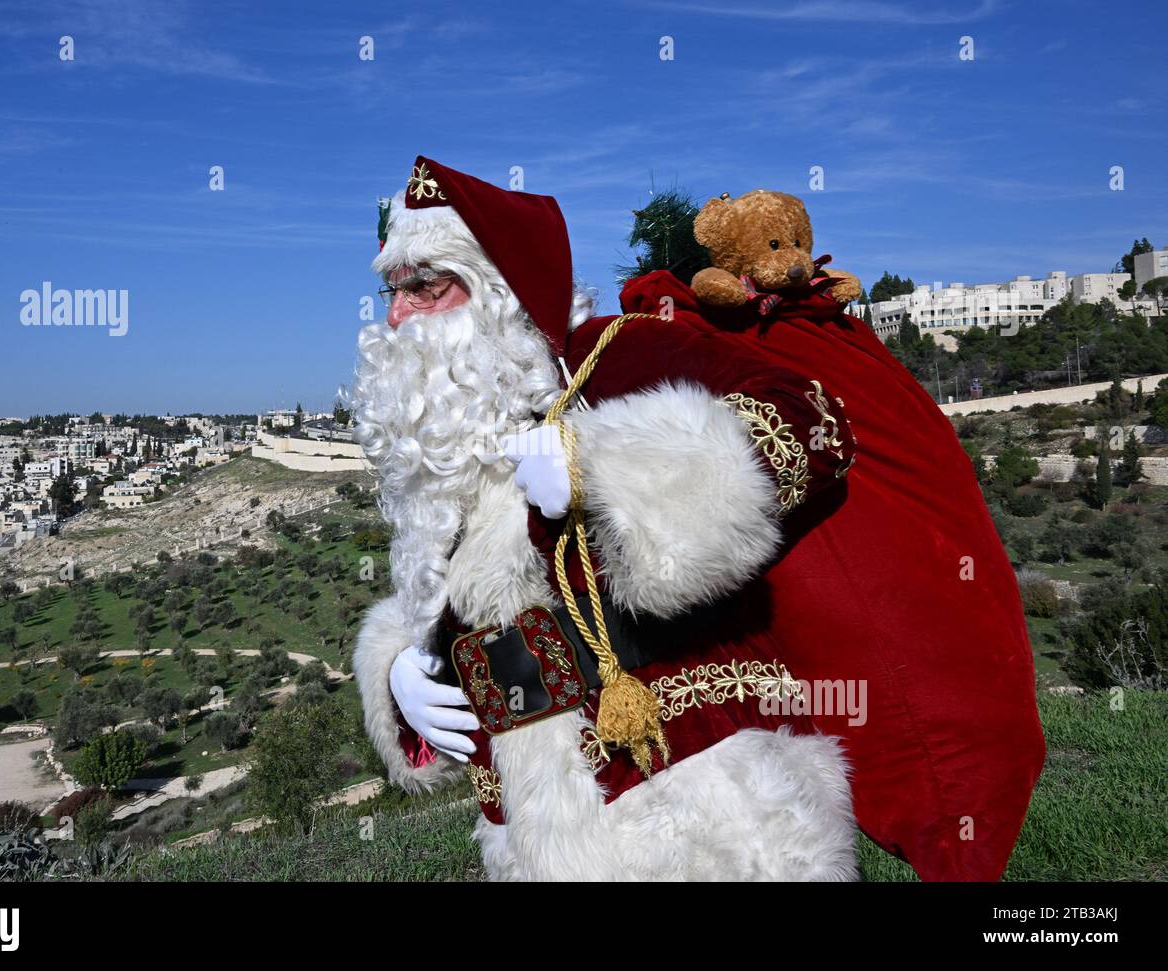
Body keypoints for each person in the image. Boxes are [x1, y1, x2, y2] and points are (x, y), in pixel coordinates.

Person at [350, 156, 1042, 881]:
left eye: (427, 288)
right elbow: (478, 609)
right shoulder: (445, 451)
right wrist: (400, 666)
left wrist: (601, 465)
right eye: (393, 291)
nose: (396, 315)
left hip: (706, 814)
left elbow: (814, 426)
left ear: (498, 291)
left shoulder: (608, 356)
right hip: (535, 832)